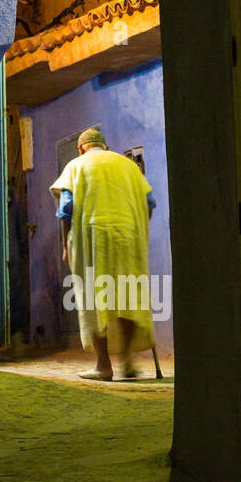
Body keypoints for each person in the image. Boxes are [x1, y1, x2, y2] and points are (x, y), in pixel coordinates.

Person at [50, 128, 157, 381]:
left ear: (81, 148)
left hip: (93, 239)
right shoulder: (128, 166)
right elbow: (149, 203)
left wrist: (66, 245)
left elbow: (66, 209)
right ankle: (128, 361)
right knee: (128, 297)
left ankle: (103, 366)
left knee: (94, 299)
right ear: (105, 147)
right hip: (128, 238)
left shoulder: (75, 166)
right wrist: (139, 231)